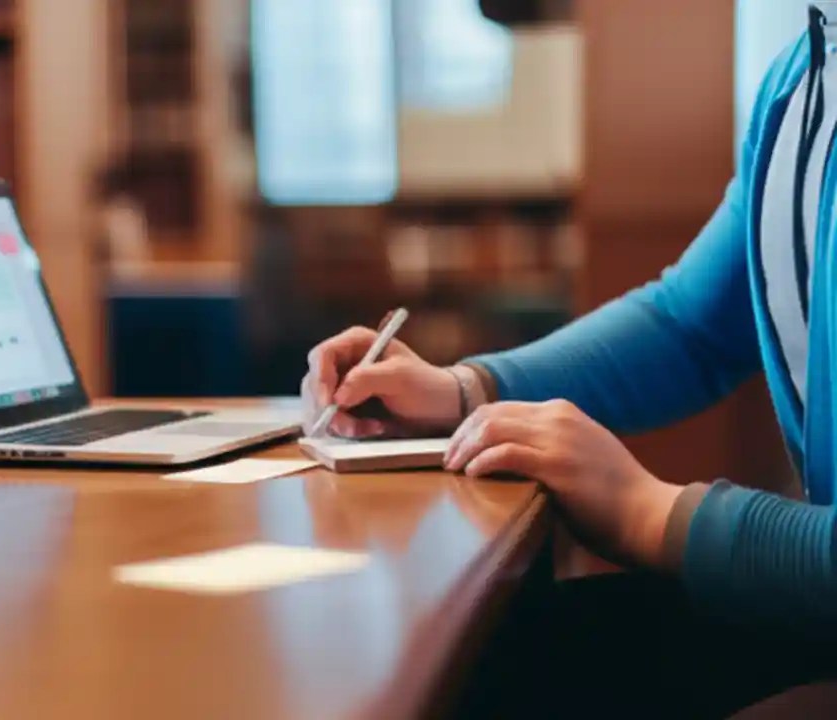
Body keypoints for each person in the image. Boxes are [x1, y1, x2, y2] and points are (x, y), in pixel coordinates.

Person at [302, 7, 837, 718]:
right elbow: (690, 324)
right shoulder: (800, 80)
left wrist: (649, 511)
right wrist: (466, 389)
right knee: (489, 665)